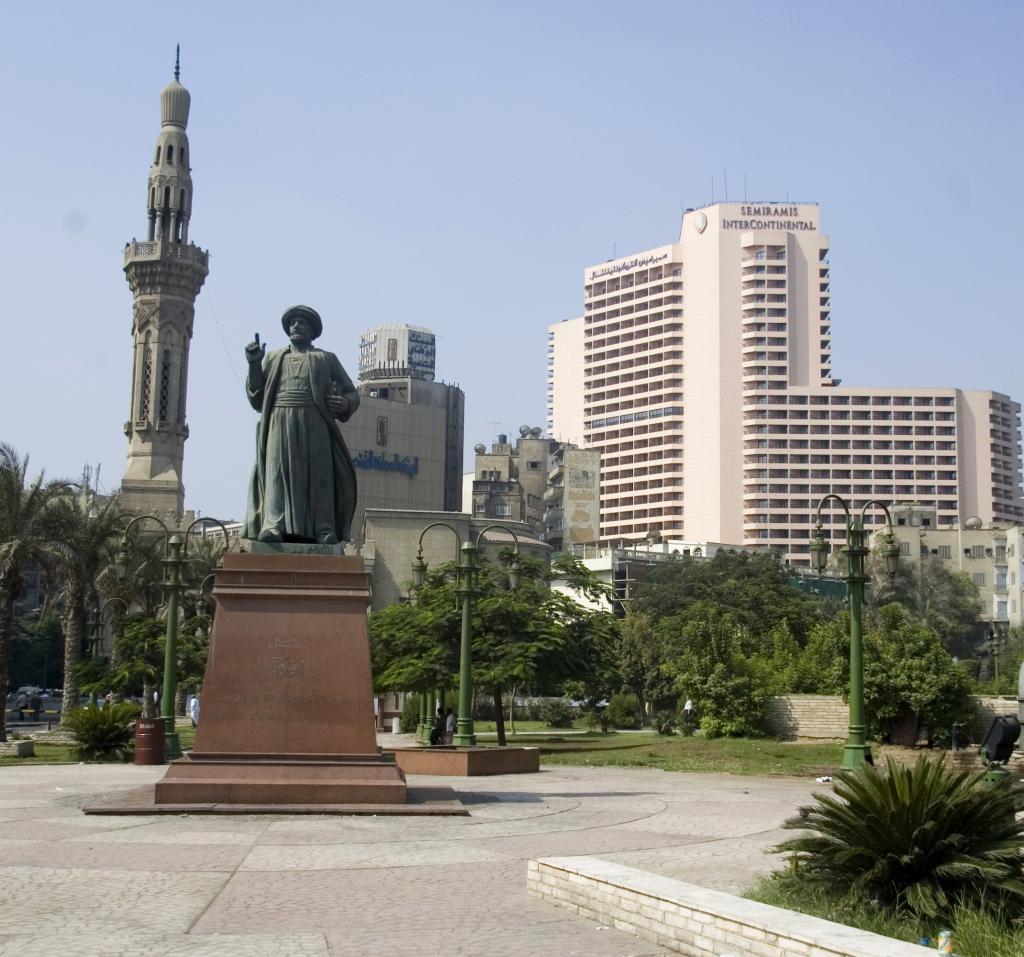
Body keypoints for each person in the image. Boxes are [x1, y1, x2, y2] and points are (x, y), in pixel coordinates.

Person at [243, 305, 360, 544]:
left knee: (319, 475)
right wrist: (254, 364)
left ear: (313, 331)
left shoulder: (325, 359)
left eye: (303, 322)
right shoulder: (274, 357)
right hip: (279, 420)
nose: (297, 325)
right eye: (293, 322)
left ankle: (323, 528)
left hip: (315, 421)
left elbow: (352, 393)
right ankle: (274, 524)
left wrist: (344, 404)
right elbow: (257, 397)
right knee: (276, 473)